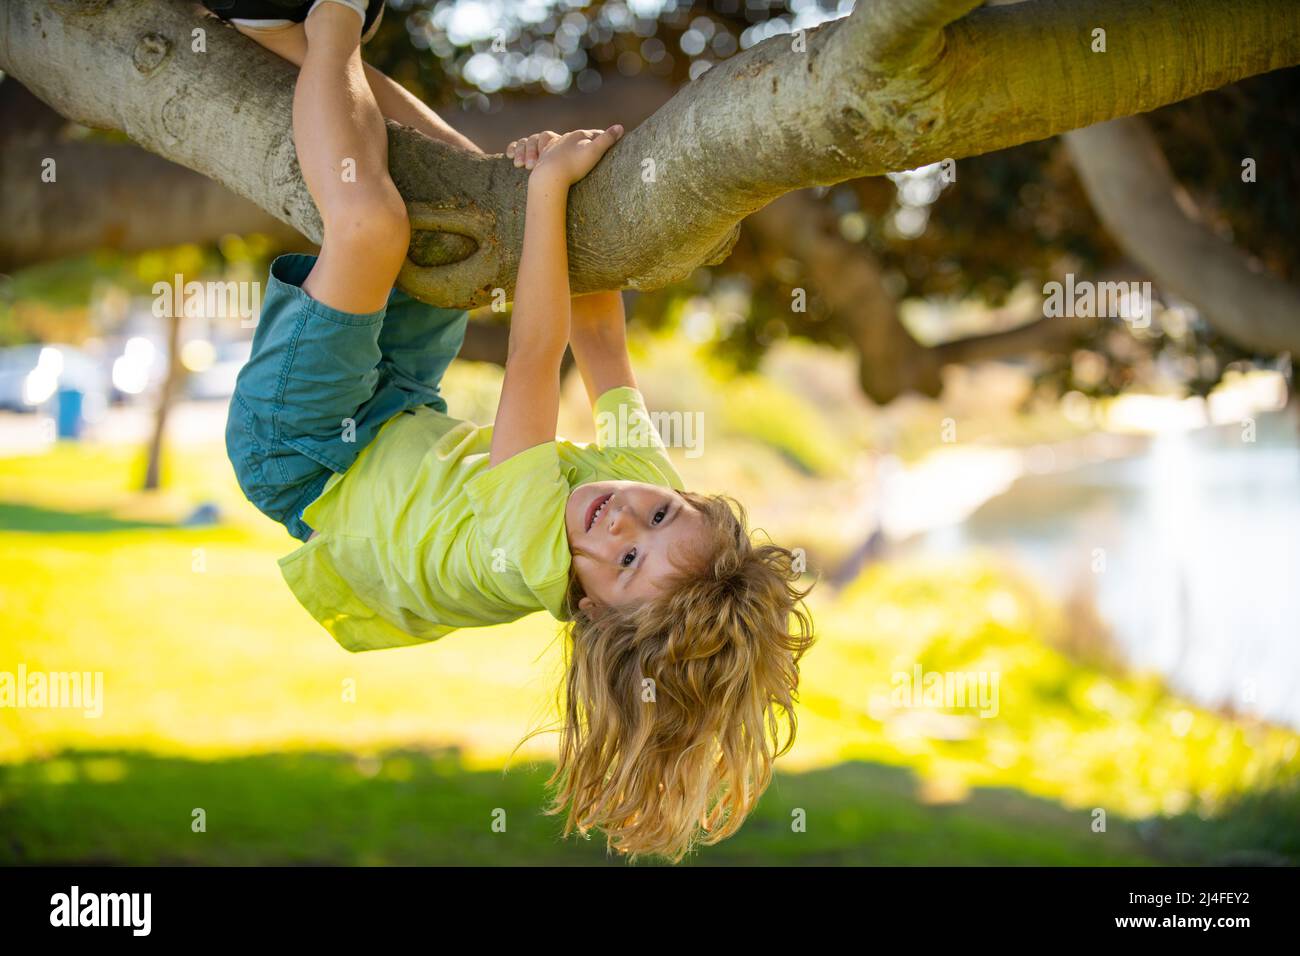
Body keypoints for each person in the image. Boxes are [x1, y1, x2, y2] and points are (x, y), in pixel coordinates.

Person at [219, 0, 815, 860]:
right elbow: (600, 339)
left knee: (374, 228)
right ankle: (277, 34)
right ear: (690, 501)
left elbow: (535, 357)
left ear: (593, 611)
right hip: (397, 409)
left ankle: (335, 19)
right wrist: (574, 204)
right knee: (469, 197)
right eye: (659, 519)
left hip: (306, 454)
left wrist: (548, 191)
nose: (621, 524)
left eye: (625, 565)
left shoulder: (528, 550)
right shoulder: (633, 483)